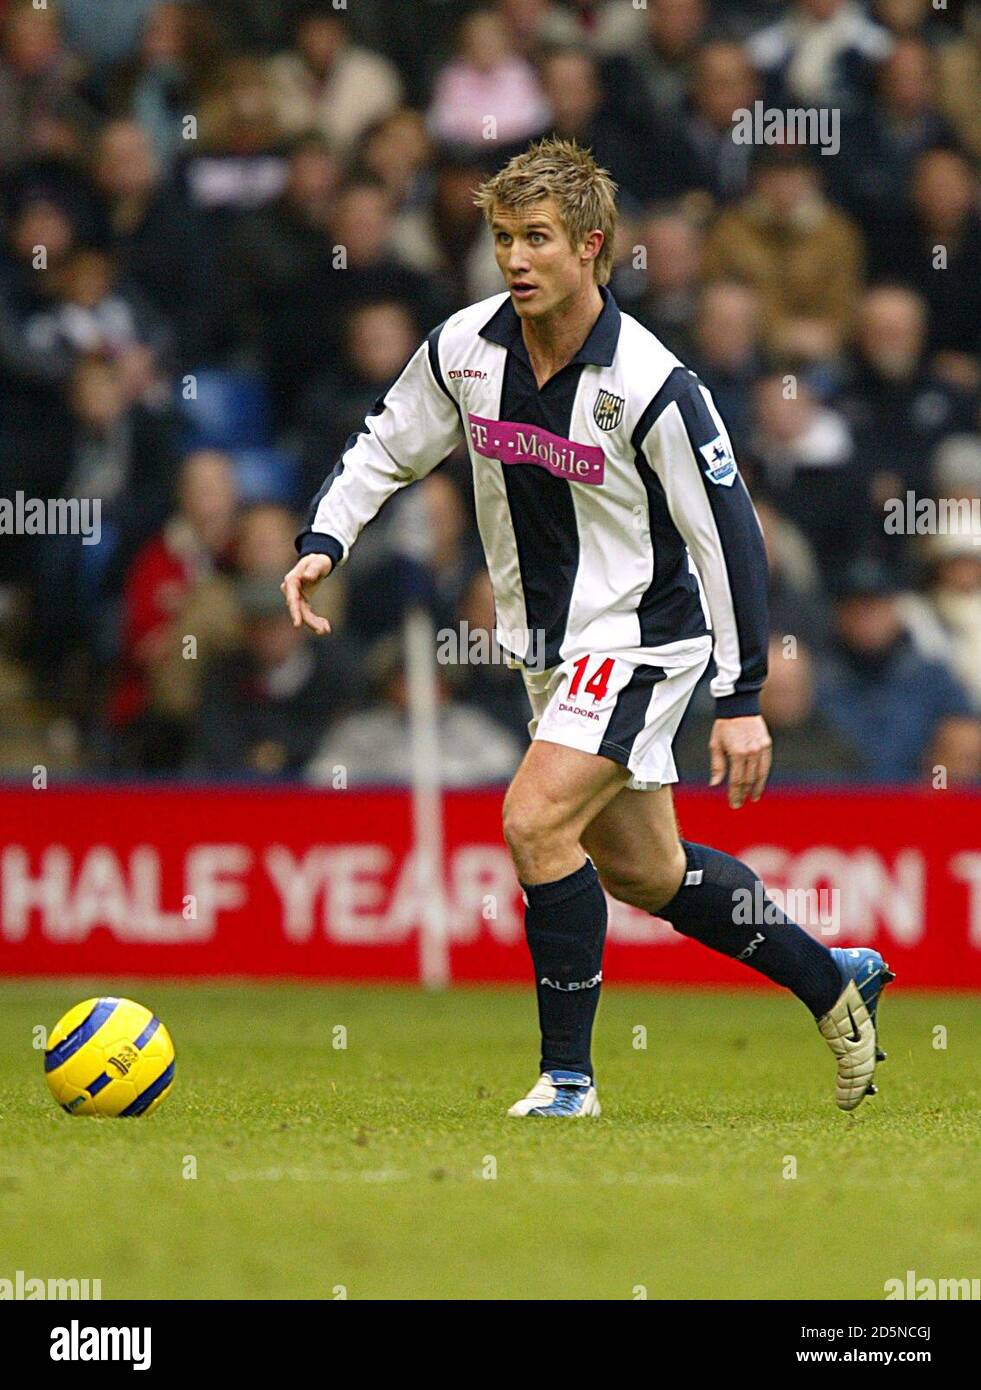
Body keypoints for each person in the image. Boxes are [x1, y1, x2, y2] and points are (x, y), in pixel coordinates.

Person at [282, 137, 894, 1119]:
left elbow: (729, 535)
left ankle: (568, 1080)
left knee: (532, 822)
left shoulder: (654, 384)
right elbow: (384, 446)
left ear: (590, 245)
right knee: (647, 872)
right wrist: (324, 540)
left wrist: (740, 697)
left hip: (641, 639)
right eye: (502, 238)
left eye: (536, 238)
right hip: (546, 647)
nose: (515, 259)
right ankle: (831, 978)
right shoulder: (465, 349)